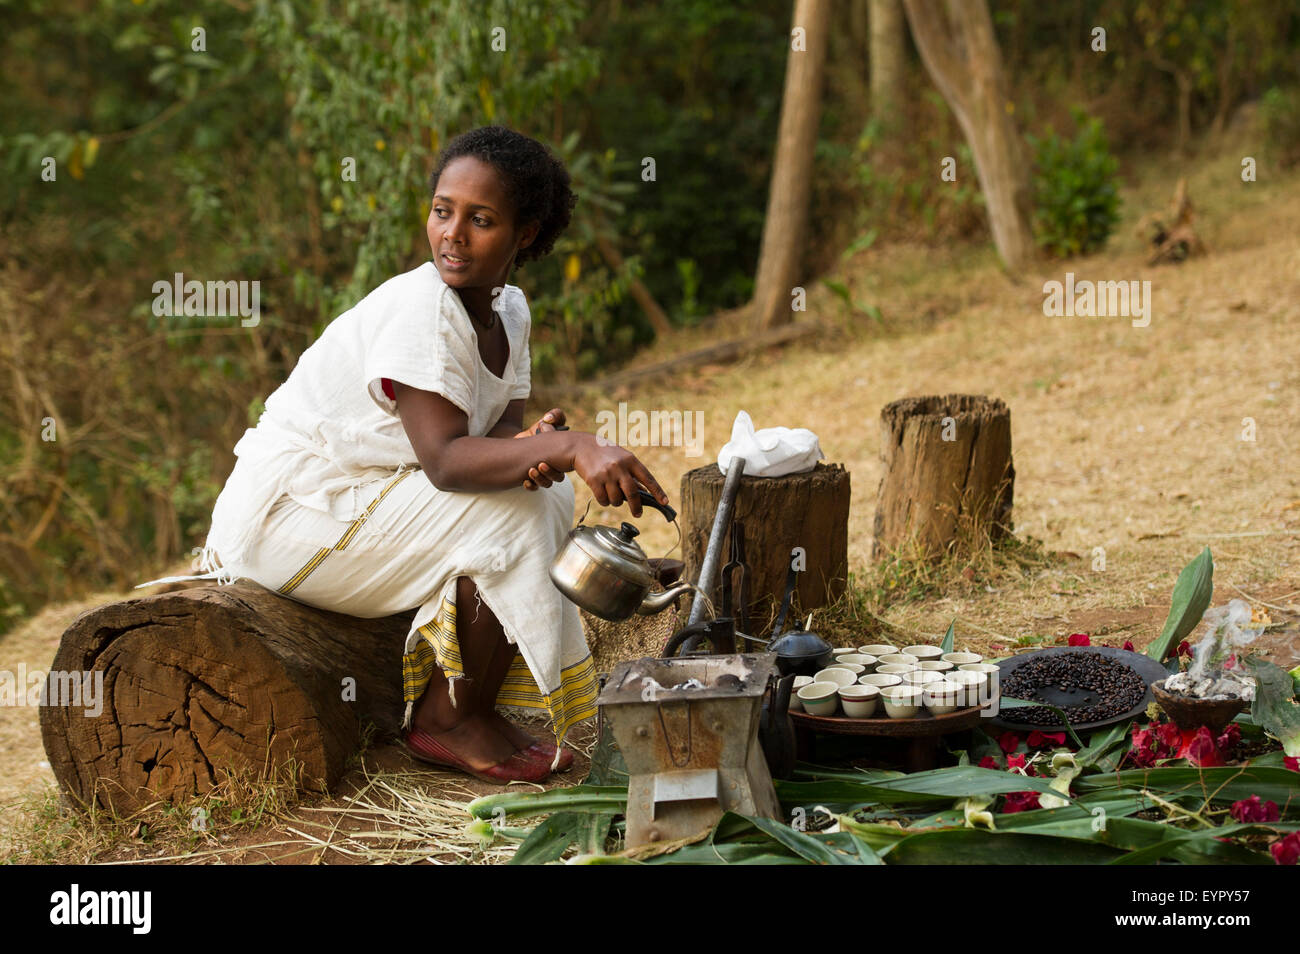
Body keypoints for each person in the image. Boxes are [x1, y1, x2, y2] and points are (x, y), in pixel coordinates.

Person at [138, 125, 671, 784]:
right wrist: (573, 445)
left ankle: (473, 705)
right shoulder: (424, 309)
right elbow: (447, 462)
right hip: (288, 516)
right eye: (442, 211)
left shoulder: (511, 312)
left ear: (525, 233)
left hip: (363, 499)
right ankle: (447, 720)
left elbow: (494, 435)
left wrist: (534, 449)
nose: (452, 233)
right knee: (521, 512)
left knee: (542, 493)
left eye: (480, 219)